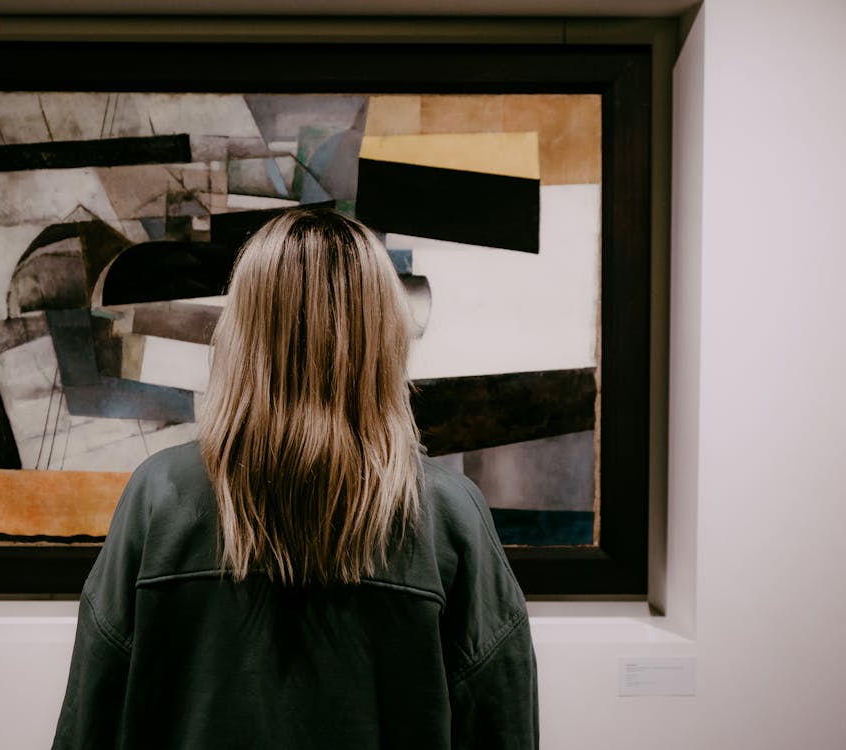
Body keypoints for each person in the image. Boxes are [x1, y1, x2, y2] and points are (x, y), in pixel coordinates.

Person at [51, 208, 538, 749]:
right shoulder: (448, 515)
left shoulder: (158, 496)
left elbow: (91, 722)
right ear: (384, 335)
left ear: (240, 332)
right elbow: (504, 727)